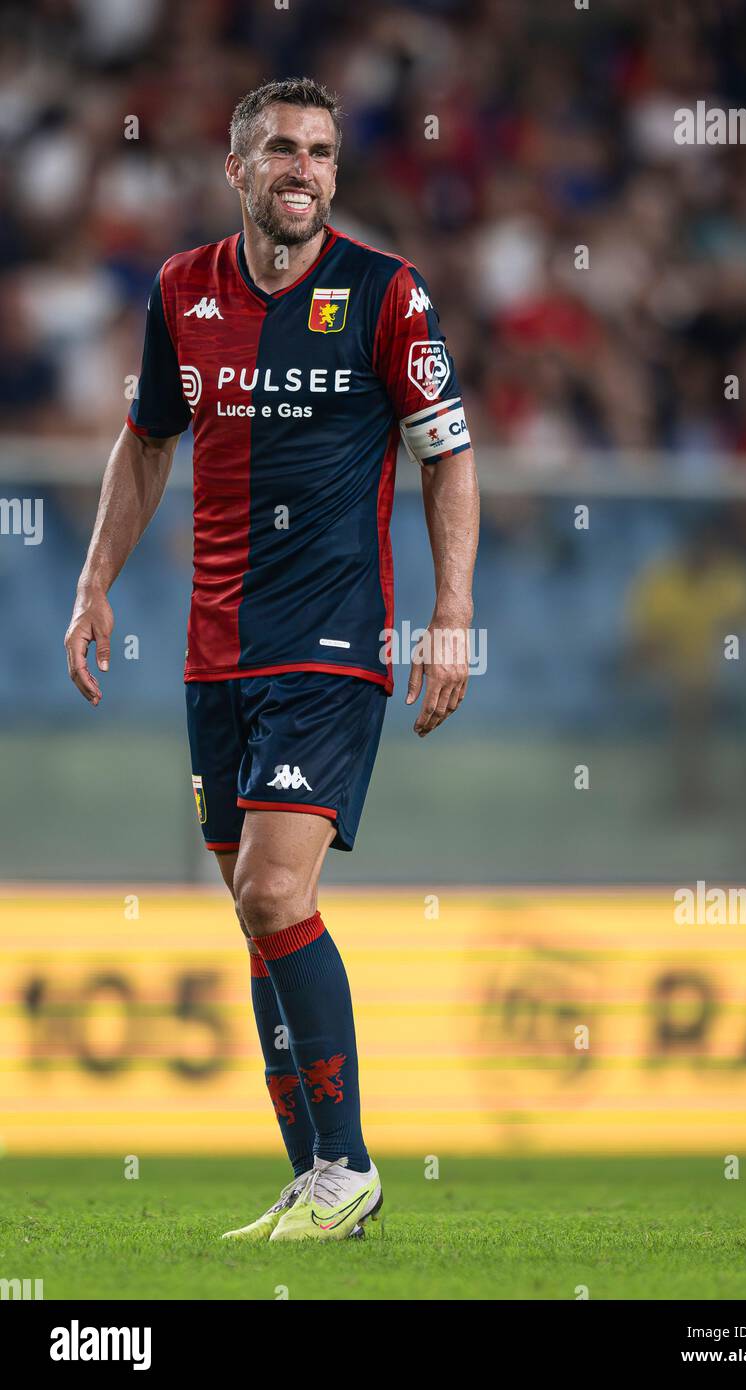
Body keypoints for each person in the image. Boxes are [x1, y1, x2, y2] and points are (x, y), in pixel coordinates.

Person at [64, 77, 479, 1243]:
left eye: (321, 153)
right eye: (281, 150)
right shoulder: (181, 292)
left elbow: (446, 457)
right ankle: (315, 1182)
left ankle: (346, 1163)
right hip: (215, 652)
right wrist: (94, 583)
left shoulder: (386, 295)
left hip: (333, 643)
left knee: (269, 889)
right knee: (255, 915)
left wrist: (450, 610)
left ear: (334, 176)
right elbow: (145, 444)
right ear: (237, 169)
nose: (303, 169)